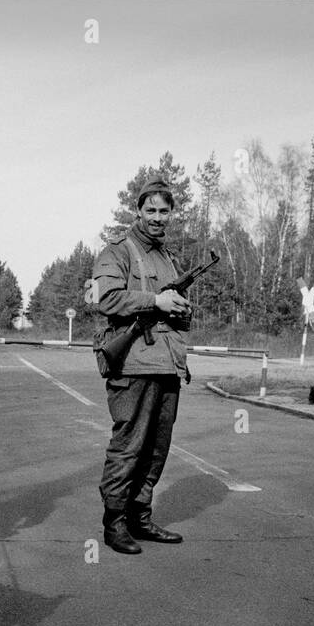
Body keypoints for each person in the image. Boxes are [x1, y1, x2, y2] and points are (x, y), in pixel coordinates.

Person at [90, 176, 192, 555]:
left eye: (164, 211)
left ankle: (140, 517)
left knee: (156, 450)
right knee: (129, 448)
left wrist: (180, 309)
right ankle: (114, 523)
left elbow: (172, 312)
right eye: (150, 210)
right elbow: (108, 299)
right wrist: (156, 301)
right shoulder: (118, 251)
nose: (157, 217)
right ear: (138, 210)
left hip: (167, 365)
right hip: (132, 365)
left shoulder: (168, 257)